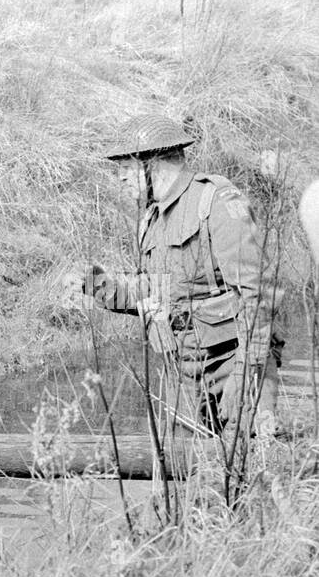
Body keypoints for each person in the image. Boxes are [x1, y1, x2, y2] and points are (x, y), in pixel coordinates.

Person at [65, 114, 282, 447]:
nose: (120, 179)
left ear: (152, 164)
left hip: (234, 366)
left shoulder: (217, 202)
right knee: (184, 479)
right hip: (184, 374)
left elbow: (258, 295)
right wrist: (101, 286)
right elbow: (157, 291)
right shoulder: (152, 217)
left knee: (249, 471)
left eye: (126, 169)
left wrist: (244, 373)